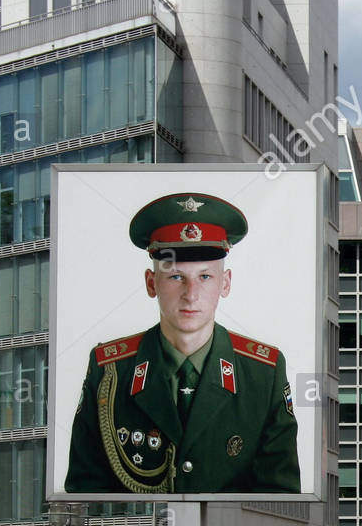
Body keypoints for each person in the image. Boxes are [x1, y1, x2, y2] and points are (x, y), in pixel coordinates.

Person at [65, 191, 299, 494]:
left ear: (225, 283)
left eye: (204, 277)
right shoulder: (110, 370)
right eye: (176, 277)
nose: (191, 294)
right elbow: (84, 492)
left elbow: (281, 495)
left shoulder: (263, 373)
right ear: (152, 283)